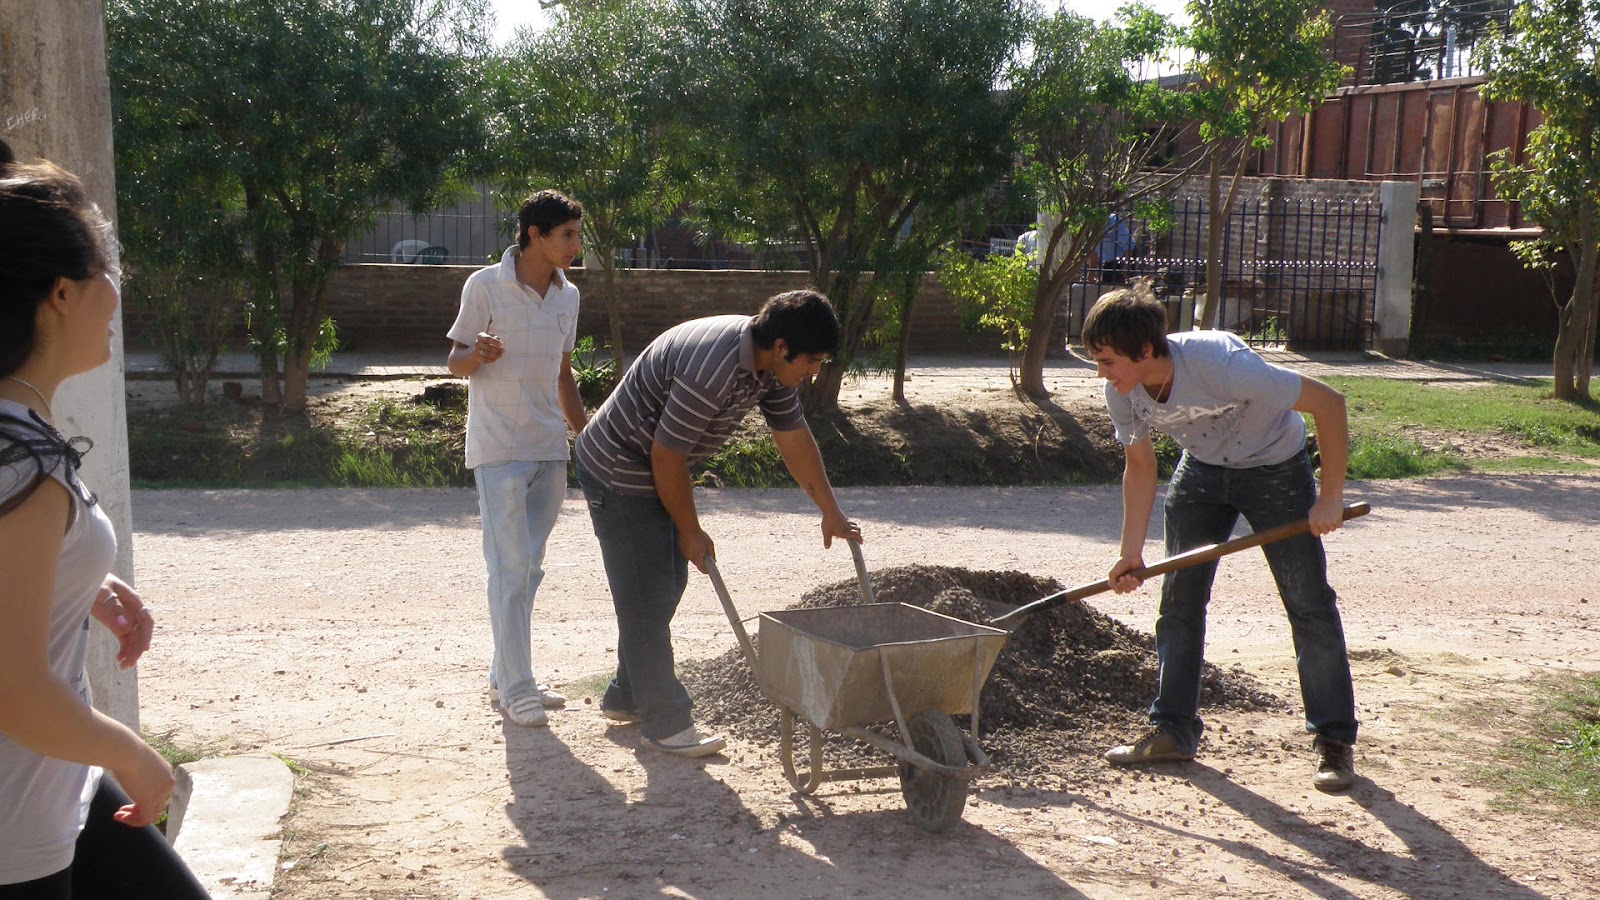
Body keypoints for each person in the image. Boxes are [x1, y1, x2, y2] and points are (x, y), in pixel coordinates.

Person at [0, 142, 210, 895]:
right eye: (103, 270)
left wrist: (77, 580)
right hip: (16, 830)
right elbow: (15, 689)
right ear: (60, 294)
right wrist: (128, 751)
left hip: (56, 794)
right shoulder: (22, 461)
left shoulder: (16, 438)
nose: (115, 292)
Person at [1081, 282, 1359, 792]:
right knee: (1179, 602)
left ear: (1144, 351)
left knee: (1307, 603)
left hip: (1275, 468)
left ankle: (1334, 742)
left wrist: (1329, 496)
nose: (1101, 373)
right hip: (1203, 473)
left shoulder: (1224, 364)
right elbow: (1140, 469)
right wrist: (1129, 553)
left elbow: (1330, 403)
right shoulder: (1121, 391)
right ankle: (1172, 731)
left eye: (1107, 361)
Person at [574, 289, 862, 757]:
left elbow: (793, 438)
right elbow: (666, 455)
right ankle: (665, 721)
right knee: (645, 594)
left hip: (657, 467)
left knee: (665, 584)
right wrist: (690, 529)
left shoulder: (771, 367)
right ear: (783, 346)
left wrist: (830, 510)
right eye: (812, 361)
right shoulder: (715, 368)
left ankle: (627, 694)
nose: (814, 373)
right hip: (617, 468)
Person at [446, 190, 589, 729]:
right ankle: (518, 687)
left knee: (528, 569)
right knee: (509, 567)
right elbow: (455, 362)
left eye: (577, 235)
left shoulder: (568, 296)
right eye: (568, 235)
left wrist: (586, 436)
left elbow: (563, 374)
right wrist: (475, 354)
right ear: (535, 234)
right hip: (498, 450)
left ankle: (504, 671)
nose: (576, 245)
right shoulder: (484, 286)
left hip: (549, 448)